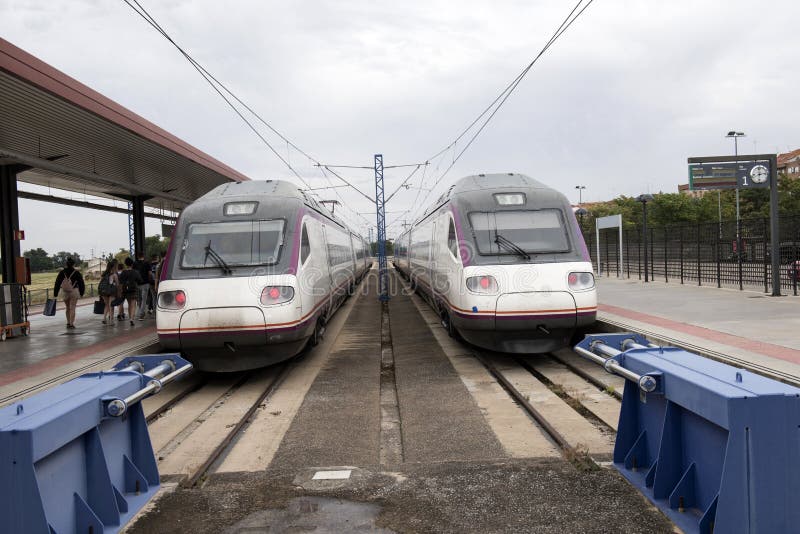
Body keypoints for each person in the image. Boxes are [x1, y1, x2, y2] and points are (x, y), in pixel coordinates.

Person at [53, 257, 85, 329]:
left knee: (67, 308)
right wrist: (82, 292)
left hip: (65, 291)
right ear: (73, 264)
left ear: (66, 264)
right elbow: (81, 283)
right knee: (72, 307)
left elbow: (57, 283)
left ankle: (67, 322)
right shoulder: (76, 272)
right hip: (74, 291)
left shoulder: (62, 272)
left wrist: (55, 293)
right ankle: (71, 324)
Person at [119, 257, 143, 326]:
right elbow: (140, 280)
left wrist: (120, 291)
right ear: (132, 264)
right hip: (133, 290)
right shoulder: (135, 272)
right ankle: (132, 319)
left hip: (125, 291)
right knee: (133, 305)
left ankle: (130, 318)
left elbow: (120, 283)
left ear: (126, 264)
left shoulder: (123, 272)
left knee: (129, 304)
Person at [98, 259, 119, 325]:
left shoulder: (103, 274)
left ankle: (104, 318)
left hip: (103, 292)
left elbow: (100, 283)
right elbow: (117, 284)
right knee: (111, 306)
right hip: (111, 291)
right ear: (113, 267)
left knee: (106, 305)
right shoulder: (114, 275)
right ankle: (111, 321)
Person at [132, 252, 151, 321]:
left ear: (137, 256)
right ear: (143, 256)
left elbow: (133, 273)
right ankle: (141, 314)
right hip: (145, 283)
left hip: (137, 284)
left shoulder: (134, 264)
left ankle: (139, 311)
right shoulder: (147, 263)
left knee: (139, 299)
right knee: (144, 299)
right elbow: (149, 273)